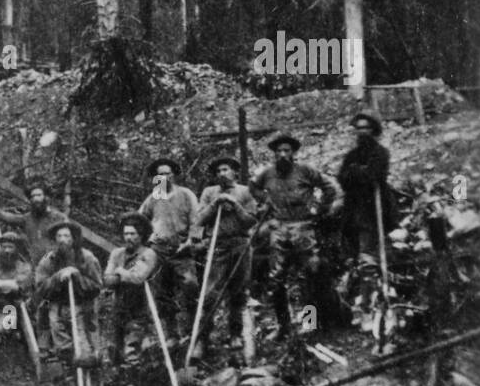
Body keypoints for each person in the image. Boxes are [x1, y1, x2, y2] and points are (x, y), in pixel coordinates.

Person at [250, 133, 341, 339]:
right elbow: (253, 187)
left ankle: (310, 323)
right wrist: (266, 203)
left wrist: (320, 209)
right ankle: (283, 326)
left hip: (303, 228)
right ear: (274, 154)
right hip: (279, 229)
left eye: (287, 151)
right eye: (279, 151)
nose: (283, 155)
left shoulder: (305, 171)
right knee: (276, 279)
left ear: (293, 153)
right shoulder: (267, 173)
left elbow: (329, 187)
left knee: (309, 275)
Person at [192, 155, 258, 358]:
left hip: (240, 245)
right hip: (216, 246)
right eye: (218, 171)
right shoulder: (209, 192)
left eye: (226, 169)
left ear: (235, 172)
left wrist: (235, 205)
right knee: (210, 294)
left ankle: (236, 334)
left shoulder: (245, 191)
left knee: (238, 293)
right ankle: (202, 341)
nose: (222, 174)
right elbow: (199, 220)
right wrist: (216, 204)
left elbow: (250, 222)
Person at [138, 158, 201, 349]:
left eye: (167, 173)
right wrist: (146, 242)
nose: (164, 177)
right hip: (159, 250)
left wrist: (191, 241)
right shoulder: (154, 197)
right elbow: (139, 219)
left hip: (181, 249)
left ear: (173, 175)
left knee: (190, 286)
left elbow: (196, 221)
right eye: (160, 174)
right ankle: (172, 334)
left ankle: (192, 333)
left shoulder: (186, 194)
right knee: (162, 293)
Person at [336, 111, 397, 307]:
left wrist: (357, 173)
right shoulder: (351, 155)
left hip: (374, 209)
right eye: (359, 128)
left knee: (368, 254)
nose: (362, 132)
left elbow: (373, 177)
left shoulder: (381, 153)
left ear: (374, 130)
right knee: (354, 253)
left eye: (366, 128)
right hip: (353, 208)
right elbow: (342, 179)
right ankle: (358, 294)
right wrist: (356, 173)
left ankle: (369, 302)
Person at [33, 220, 103, 370]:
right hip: (57, 310)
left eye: (66, 236)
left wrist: (76, 275)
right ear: (55, 239)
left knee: (87, 351)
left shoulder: (87, 258)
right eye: (59, 236)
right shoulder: (48, 260)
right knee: (64, 351)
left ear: (73, 239)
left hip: (82, 309)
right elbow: (41, 288)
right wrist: (57, 277)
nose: (63, 240)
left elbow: (97, 286)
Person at [103, 212, 160, 367]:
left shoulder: (148, 254)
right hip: (119, 308)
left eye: (132, 234)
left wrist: (120, 272)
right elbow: (108, 279)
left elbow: (137, 278)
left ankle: (136, 385)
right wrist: (122, 275)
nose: (128, 237)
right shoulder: (117, 253)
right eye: (126, 233)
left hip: (140, 309)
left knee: (132, 353)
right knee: (113, 353)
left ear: (141, 235)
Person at [0, 183, 72, 262]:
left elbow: (69, 241)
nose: (36, 199)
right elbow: (10, 218)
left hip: (56, 263)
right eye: (33, 196)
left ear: (45, 197)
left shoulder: (58, 218)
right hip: (36, 267)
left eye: (39, 195)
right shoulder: (27, 218)